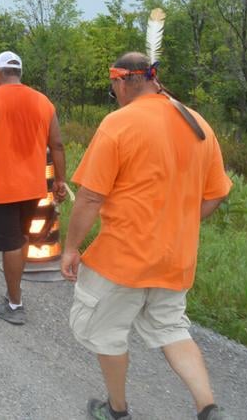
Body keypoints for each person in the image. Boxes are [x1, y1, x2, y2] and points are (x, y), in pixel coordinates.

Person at [60, 52, 232, 420]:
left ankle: (117, 411)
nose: (114, 95)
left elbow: (90, 196)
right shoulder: (198, 123)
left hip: (123, 258)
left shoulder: (119, 123)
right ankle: (209, 409)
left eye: (113, 88)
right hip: (176, 257)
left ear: (122, 81)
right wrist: (181, 223)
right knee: (171, 328)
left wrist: (71, 247)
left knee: (106, 332)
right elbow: (218, 192)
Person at [0, 51, 67, 325]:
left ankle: (15, 305)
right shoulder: (43, 102)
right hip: (33, 185)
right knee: (21, 239)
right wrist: (61, 181)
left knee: (11, 244)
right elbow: (58, 144)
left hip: (2, 187)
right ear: (19, 72)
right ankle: (12, 291)